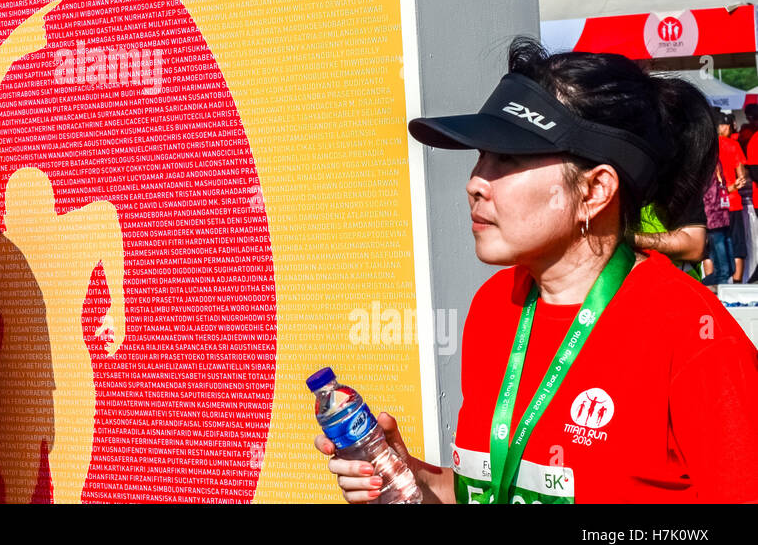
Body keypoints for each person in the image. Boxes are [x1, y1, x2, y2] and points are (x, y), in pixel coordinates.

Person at [317, 38, 758, 503]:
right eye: (481, 155)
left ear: (594, 190)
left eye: (509, 157)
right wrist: (414, 480)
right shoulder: (494, 304)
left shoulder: (695, 338)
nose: (475, 182)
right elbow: (494, 489)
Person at [717, 110, 749, 282]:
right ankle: (736, 284)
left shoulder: (708, 146)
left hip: (713, 204)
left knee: (714, 245)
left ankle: (714, 284)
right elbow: (742, 176)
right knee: (737, 245)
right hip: (733, 202)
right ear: (724, 127)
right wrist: (737, 182)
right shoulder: (732, 145)